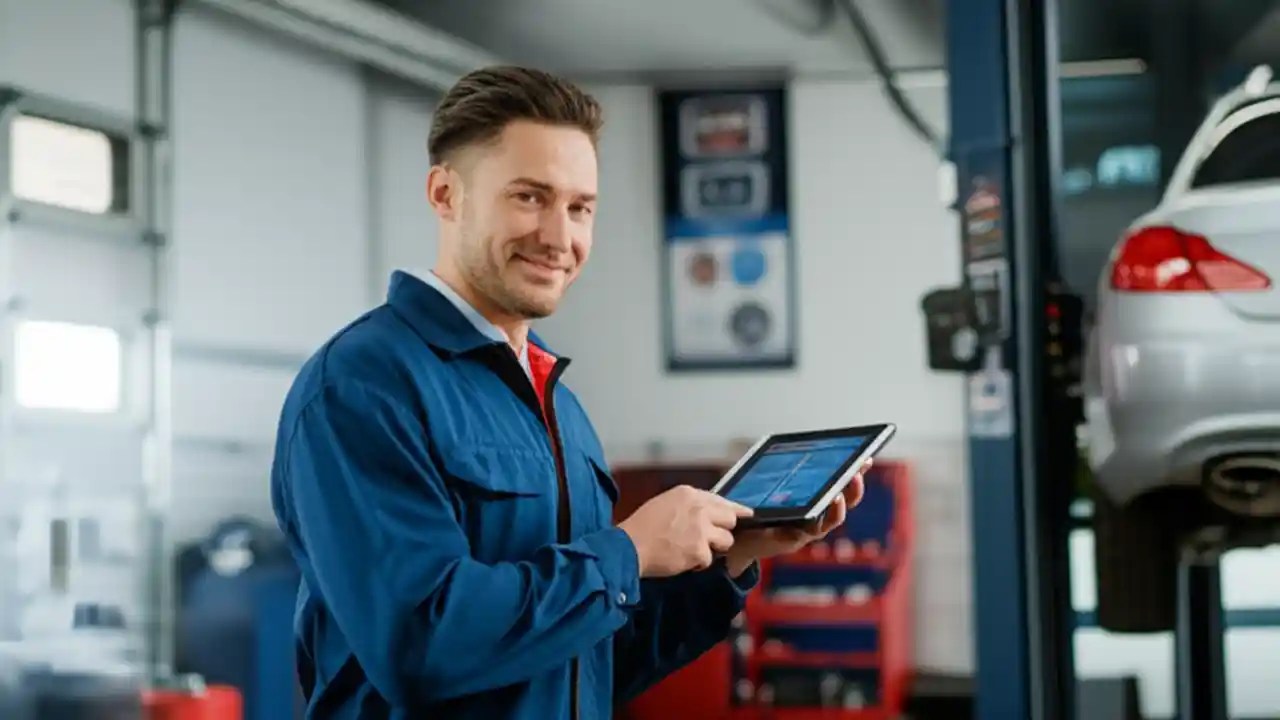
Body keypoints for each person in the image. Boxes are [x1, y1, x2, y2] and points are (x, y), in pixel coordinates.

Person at [269, 65, 867, 719]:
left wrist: (729, 560)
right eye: (529, 197)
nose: (561, 238)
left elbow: (590, 662)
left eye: (580, 207)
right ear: (445, 193)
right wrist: (631, 550)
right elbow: (422, 644)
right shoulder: (362, 387)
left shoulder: (557, 403)